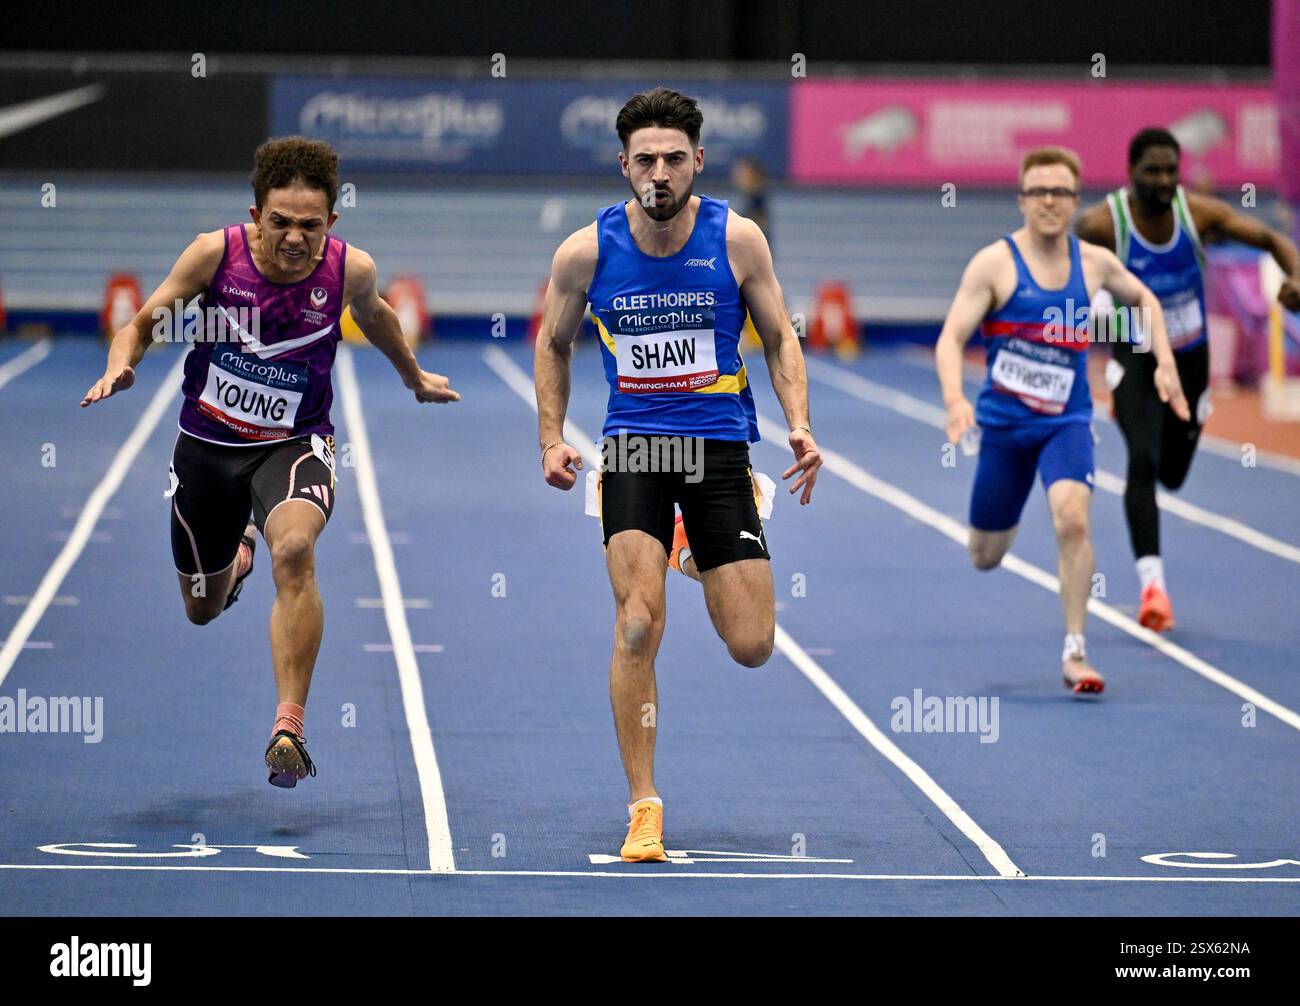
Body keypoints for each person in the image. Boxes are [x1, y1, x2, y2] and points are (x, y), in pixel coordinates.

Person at [81, 137, 459, 786]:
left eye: (309, 226)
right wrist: (122, 365)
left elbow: (381, 316)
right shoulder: (214, 255)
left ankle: (289, 724)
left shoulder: (349, 271)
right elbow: (141, 324)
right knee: (202, 607)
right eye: (279, 222)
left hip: (294, 445)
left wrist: (414, 375)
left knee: (296, 551)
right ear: (254, 216)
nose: (293, 239)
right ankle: (238, 550)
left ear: (331, 224)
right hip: (206, 448)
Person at [533, 88, 821, 861]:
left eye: (673, 158)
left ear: (697, 161)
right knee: (636, 621)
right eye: (645, 160)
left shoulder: (739, 241)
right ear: (624, 165)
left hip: (719, 448)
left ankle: (690, 543)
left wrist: (797, 422)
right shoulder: (585, 253)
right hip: (634, 447)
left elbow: (778, 335)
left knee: (753, 643)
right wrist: (552, 435)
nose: (659, 172)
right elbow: (553, 342)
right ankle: (644, 805)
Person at [936, 147, 1187, 694]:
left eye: (1061, 192)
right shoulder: (994, 264)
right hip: (1004, 428)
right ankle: (1004, 512)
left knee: (1073, 519)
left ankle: (1075, 650)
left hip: (1066, 423)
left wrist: (1165, 361)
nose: (1050, 201)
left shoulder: (1093, 262)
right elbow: (951, 338)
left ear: (1075, 201)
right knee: (985, 555)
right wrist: (957, 400)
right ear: (1022, 200)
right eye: (1038, 191)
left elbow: (1143, 297)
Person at [1075, 127, 1300, 631]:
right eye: (1151, 171)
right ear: (1130, 172)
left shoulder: (1198, 214)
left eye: (1170, 170)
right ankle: (1153, 586)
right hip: (1135, 352)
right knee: (1142, 457)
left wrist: (1296, 277)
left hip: (1190, 357)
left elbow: (1270, 238)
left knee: (1172, 474)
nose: (1162, 180)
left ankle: (1173, 423)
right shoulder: (1100, 224)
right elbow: (1057, 265)